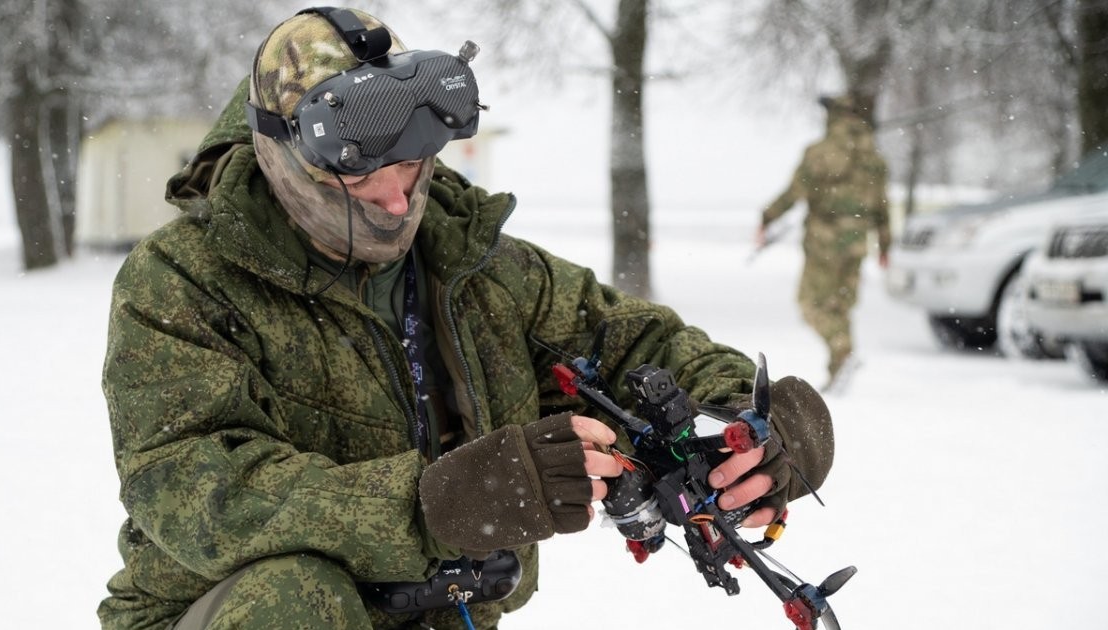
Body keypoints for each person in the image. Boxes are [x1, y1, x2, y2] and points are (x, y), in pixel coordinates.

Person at [98, 7, 836, 630]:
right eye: (362, 174)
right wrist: (442, 502)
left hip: (434, 612)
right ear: (281, 158)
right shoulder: (181, 282)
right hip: (224, 612)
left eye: (413, 165)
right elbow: (196, 488)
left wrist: (755, 422)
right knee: (298, 598)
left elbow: (635, 342)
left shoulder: (472, 263)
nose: (397, 201)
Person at [757, 94, 891, 391]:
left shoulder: (819, 152)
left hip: (824, 243)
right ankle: (840, 367)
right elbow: (883, 206)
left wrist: (766, 218)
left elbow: (793, 194)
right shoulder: (875, 160)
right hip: (858, 242)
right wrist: (885, 245)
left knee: (810, 305)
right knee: (840, 305)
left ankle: (843, 352)